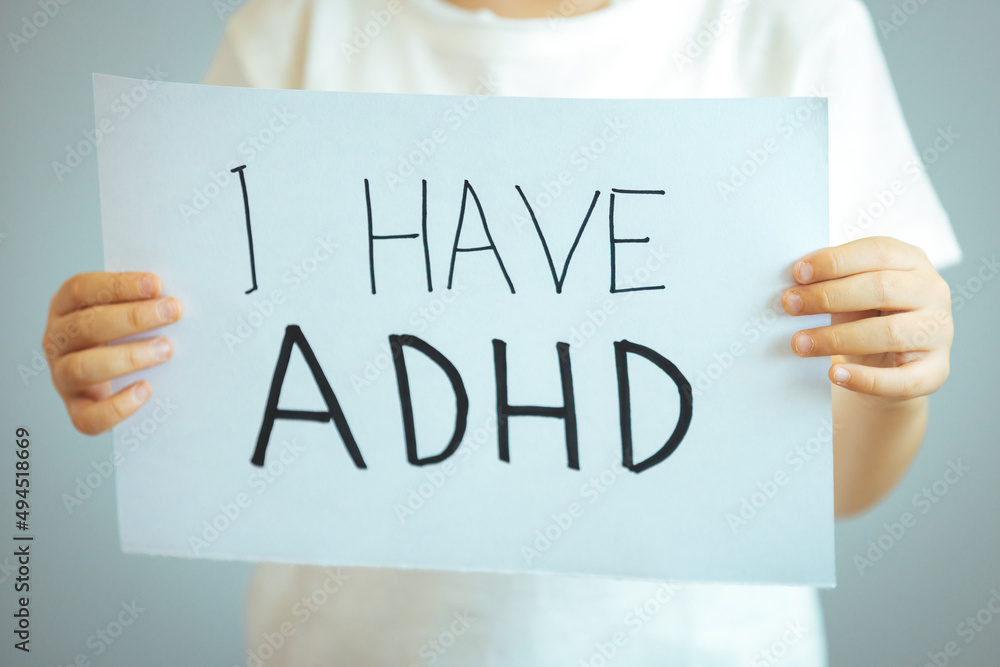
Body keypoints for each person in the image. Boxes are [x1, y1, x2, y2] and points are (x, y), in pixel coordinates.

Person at [43, 0, 962, 664]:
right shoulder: (293, 28)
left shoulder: (791, 24)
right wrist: (118, 366)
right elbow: (218, 397)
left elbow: (840, 487)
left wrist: (900, 374)